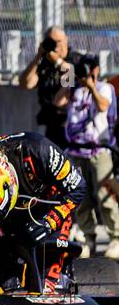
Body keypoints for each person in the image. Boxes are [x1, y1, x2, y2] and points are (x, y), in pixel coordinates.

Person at [0, 132, 88, 292]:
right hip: (9, 217)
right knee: (5, 282)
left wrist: (50, 222)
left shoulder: (39, 151)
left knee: (45, 287)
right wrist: (4, 277)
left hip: (48, 208)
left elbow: (78, 187)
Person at [60, 53, 119, 257]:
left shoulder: (104, 88)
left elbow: (103, 106)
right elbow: (58, 102)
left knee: (105, 195)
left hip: (100, 150)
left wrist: (91, 86)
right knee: (80, 198)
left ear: (96, 70)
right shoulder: (73, 90)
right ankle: (87, 237)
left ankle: (115, 238)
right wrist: (68, 78)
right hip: (76, 151)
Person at [18, 26, 79, 147]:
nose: (56, 45)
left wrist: (57, 61)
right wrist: (38, 57)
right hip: (50, 125)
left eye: (59, 41)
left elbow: (69, 84)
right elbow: (26, 84)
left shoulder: (75, 59)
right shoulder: (45, 64)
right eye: (52, 42)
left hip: (69, 125)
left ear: (66, 40)